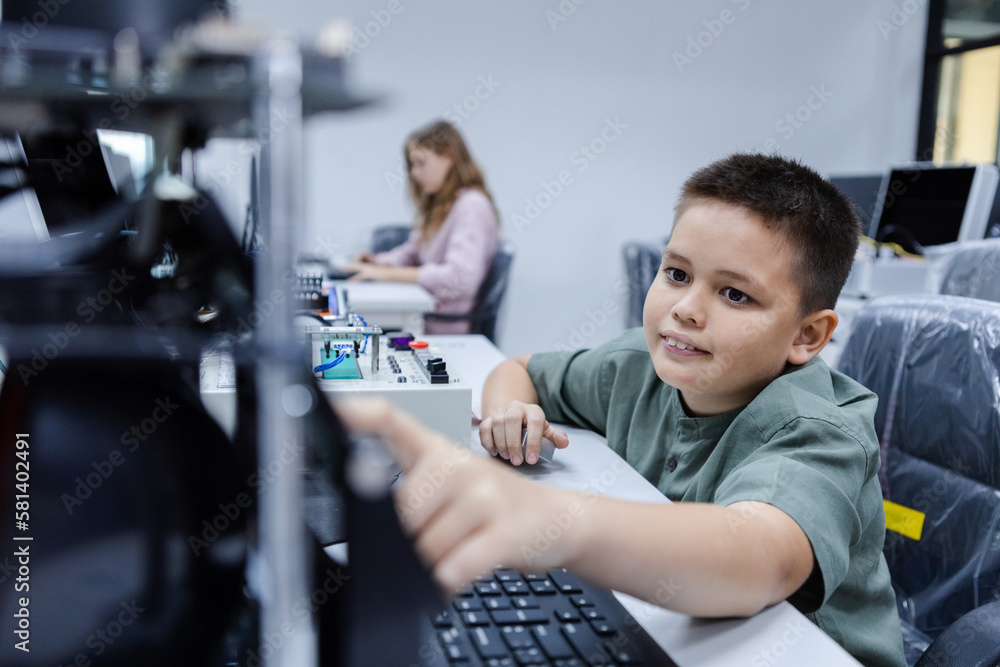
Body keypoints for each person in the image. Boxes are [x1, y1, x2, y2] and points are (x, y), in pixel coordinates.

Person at [338, 154, 906, 667]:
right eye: (677, 274)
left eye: (734, 294)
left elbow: (761, 557)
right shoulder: (641, 361)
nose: (684, 309)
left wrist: (550, 520)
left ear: (807, 335)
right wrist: (510, 411)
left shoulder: (818, 430)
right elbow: (521, 369)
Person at [342, 120, 499, 334]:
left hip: (441, 327)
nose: (414, 173)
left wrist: (386, 275)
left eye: (420, 163)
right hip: (421, 317)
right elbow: (413, 252)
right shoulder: (443, 206)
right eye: (412, 165)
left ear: (449, 156)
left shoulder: (471, 206)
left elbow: (461, 279)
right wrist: (379, 262)